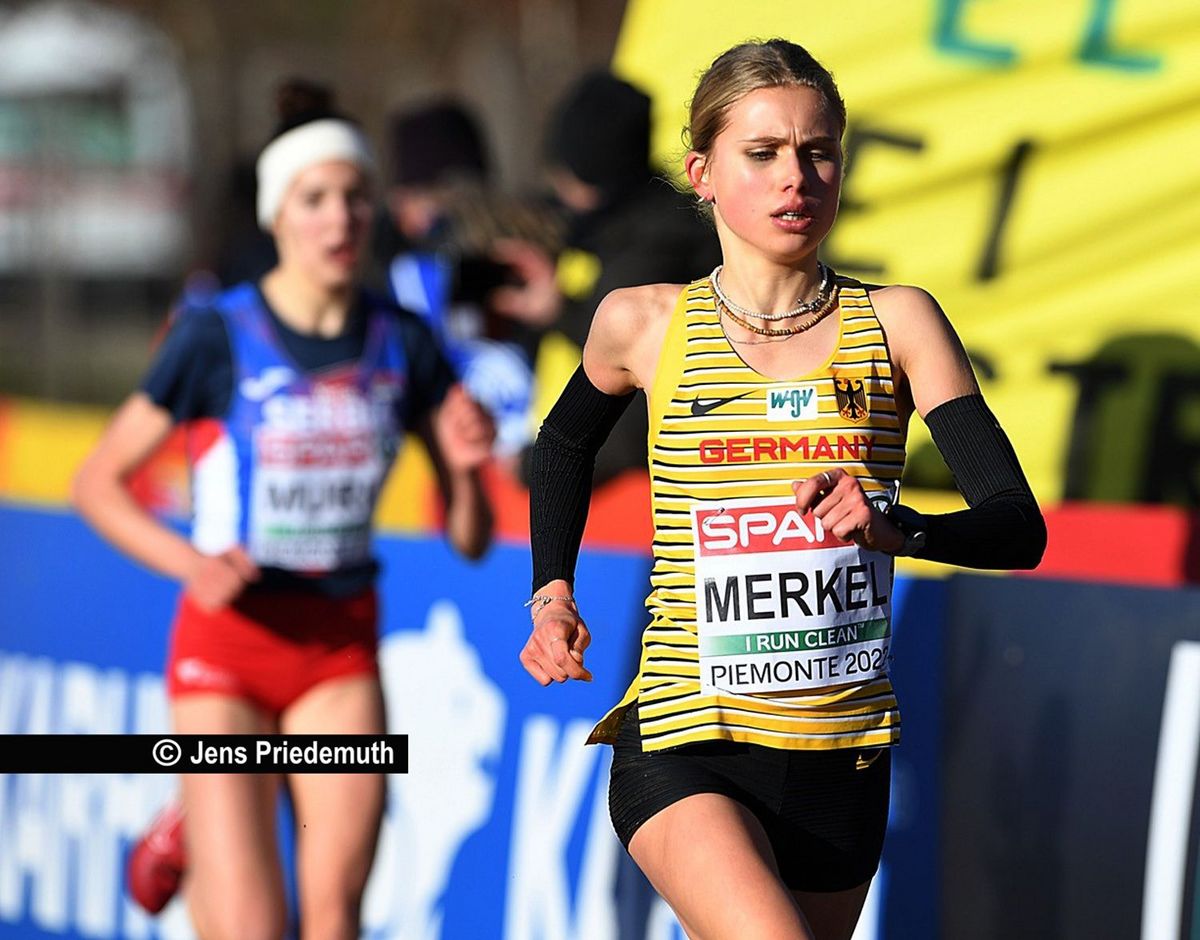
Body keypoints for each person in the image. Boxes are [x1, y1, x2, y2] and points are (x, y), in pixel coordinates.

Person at [520, 40, 1045, 940]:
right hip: (687, 742)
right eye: (761, 154)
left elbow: (1016, 527)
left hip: (841, 763)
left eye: (818, 151)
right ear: (703, 173)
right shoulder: (640, 323)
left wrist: (899, 529)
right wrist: (551, 590)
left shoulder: (900, 322)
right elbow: (564, 445)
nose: (794, 176)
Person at [73, 80, 493, 940]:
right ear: (277, 217)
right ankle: (205, 812)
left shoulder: (403, 342)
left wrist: (465, 469)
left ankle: (204, 813)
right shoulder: (214, 336)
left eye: (355, 198)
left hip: (338, 652)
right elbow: (96, 484)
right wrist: (193, 563)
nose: (339, 219)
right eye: (315, 200)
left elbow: (471, 542)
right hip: (225, 652)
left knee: (333, 920)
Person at [494, 70, 721, 484]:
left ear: (597, 178)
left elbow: (625, 357)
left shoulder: (653, 245)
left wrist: (537, 464)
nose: (560, 190)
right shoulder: (652, 222)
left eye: (569, 177)